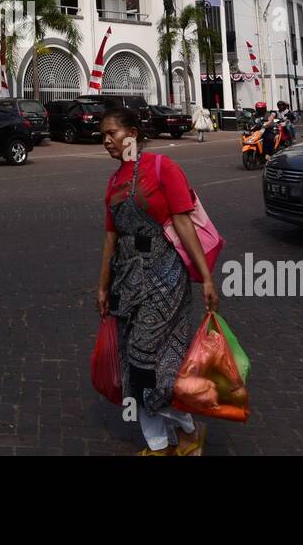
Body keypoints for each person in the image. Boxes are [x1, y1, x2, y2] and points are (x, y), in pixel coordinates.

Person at [96, 107, 220, 455]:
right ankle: (161, 443)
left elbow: (183, 224)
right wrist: (103, 285)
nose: (106, 141)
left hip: (166, 276)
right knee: (133, 363)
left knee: (144, 359)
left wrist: (206, 279)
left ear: (133, 132)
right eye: (103, 136)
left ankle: (188, 426)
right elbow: (110, 238)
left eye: (113, 133)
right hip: (127, 281)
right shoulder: (114, 181)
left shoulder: (163, 169)